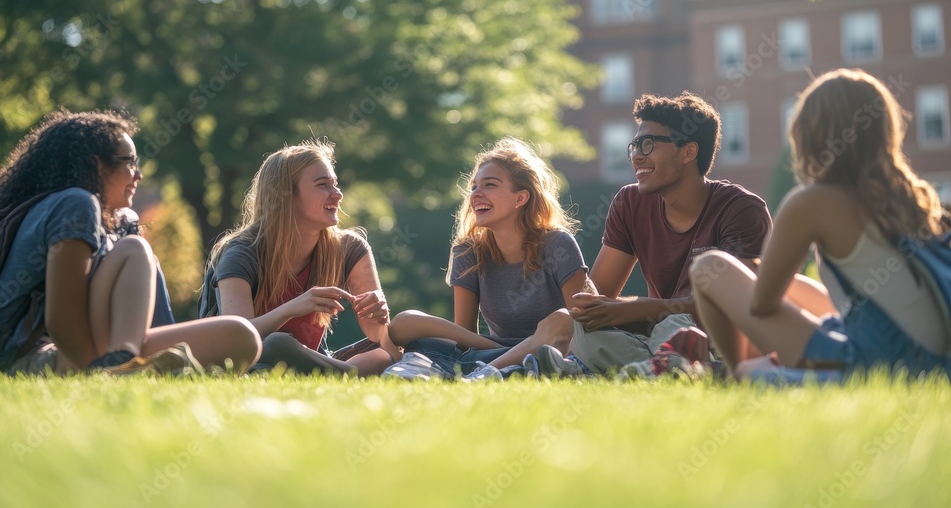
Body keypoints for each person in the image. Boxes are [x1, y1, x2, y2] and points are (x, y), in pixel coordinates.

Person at [690, 68, 951, 378]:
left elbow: (761, 305)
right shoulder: (914, 196)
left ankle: (737, 375)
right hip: (936, 360)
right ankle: (764, 368)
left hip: (888, 364)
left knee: (709, 268)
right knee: (792, 286)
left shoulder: (812, 201)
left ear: (809, 134)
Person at [0, 109, 262, 375]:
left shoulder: (106, 219)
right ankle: (120, 369)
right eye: (130, 162)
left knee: (241, 336)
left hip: (94, 349)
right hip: (30, 359)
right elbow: (61, 322)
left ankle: (125, 363)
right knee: (135, 250)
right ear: (97, 166)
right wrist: (95, 376)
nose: (139, 175)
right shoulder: (76, 203)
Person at [533, 91, 773, 378]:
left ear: (688, 152)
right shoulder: (630, 202)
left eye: (648, 144)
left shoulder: (741, 209)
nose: (636, 156)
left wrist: (638, 309)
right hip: (656, 333)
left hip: (720, 339)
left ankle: (611, 369)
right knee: (585, 326)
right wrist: (593, 308)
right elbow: (600, 292)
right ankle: (663, 368)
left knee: (675, 326)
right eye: (634, 145)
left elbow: (735, 304)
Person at [383, 138, 588, 380]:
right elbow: (463, 334)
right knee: (404, 322)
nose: (475, 195)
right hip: (492, 352)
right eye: (473, 187)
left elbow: (583, 324)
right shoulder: (467, 252)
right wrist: (502, 350)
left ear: (520, 198)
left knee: (563, 319)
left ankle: (477, 374)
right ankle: (493, 368)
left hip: (553, 350)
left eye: (489, 185)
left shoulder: (558, 244)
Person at [199, 140, 397, 376]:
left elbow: (379, 337)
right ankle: (349, 374)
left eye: (335, 184)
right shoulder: (241, 254)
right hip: (245, 362)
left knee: (392, 346)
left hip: (311, 359)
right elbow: (235, 337)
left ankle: (339, 373)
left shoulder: (350, 249)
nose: (338, 194)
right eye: (323, 185)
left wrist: (379, 316)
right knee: (278, 344)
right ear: (286, 196)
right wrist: (290, 309)